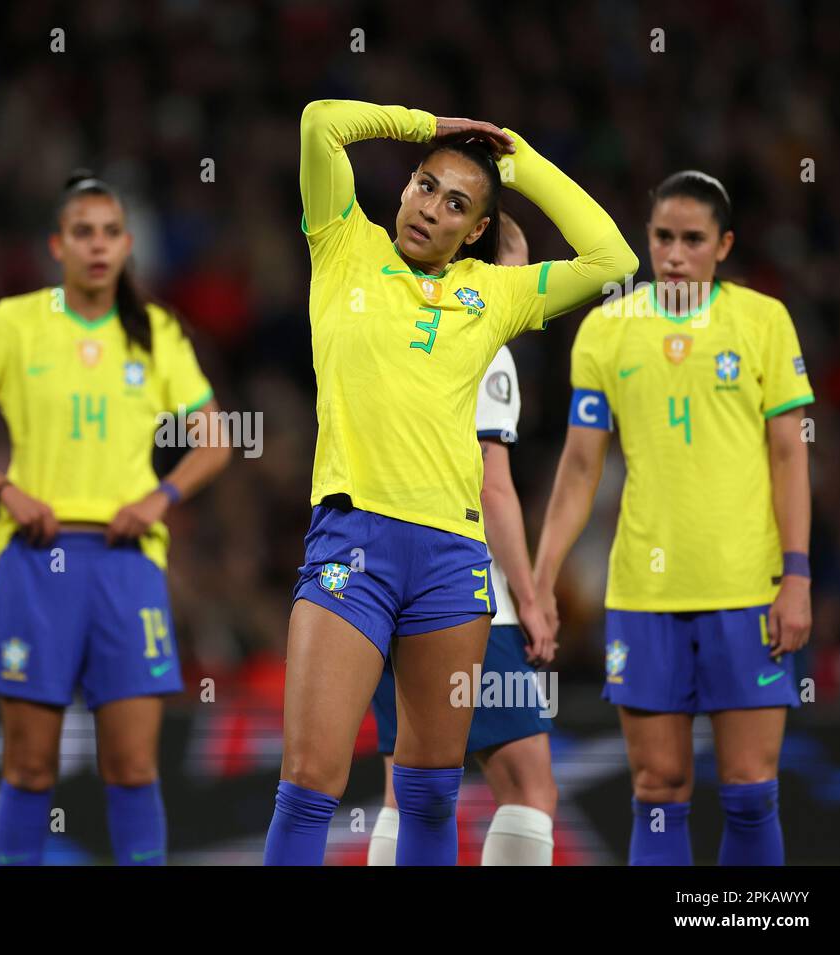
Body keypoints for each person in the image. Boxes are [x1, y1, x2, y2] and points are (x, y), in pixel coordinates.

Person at [263, 99, 636, 866]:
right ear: (402, 187)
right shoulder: (342, 243)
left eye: (457, 203)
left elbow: (613, 262)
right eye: (425, 186)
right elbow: (317, 123)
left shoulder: (492, 295)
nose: (431, 208)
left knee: (431, 793)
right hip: (352, 543)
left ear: (474, 233)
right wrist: (421, 124)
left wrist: (521, 163)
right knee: (309, 782)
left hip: (450, 560)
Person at [0, 170, 229, 865]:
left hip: (128, 564)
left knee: (134, 767)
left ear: (128, 245)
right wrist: (5, 490)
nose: (97, 245)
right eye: (82, 232)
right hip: (36, 561)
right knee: (28, 766)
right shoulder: (14, 322)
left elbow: (216, 439)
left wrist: (159, 499)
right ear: (56, 245)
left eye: (110, 233)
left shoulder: (158, 332)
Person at [532, 170, 812, 865]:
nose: (675, 253)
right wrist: (540, 578)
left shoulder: (763, 321)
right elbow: (577, 468)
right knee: (659, 788)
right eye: (663, 237)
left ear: (723, 245)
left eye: (693, 239)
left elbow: (789, 457)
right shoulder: (606, 330)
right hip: (643, 596)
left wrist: (798, 576)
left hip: (748, 588)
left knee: (750, 787)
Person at [367, 214, 558, 866]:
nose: (529, 287)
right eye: (521, 270)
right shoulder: (484, 343)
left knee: (407, 787)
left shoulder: (395, 325)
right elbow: (492, 488)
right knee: (529, 786)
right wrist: (530, 598)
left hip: (377, 580)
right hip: (466, 586)